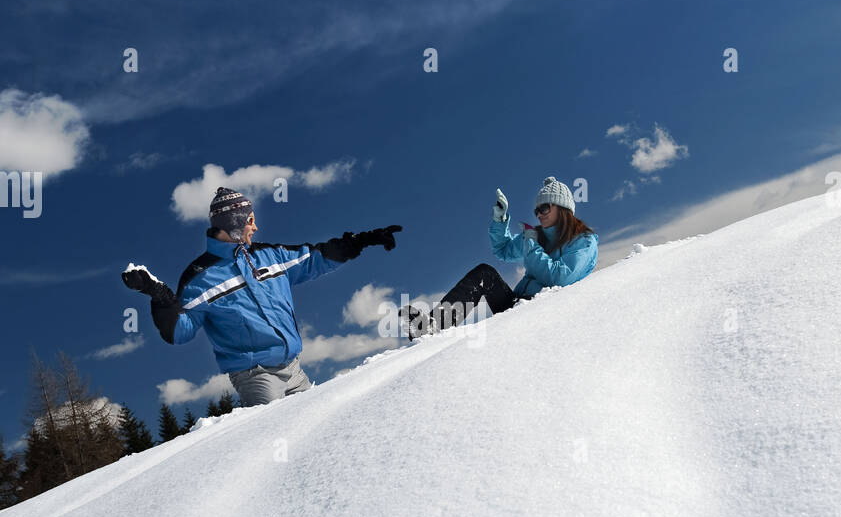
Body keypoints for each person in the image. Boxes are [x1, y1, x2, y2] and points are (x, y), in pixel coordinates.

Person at [122, 186, 401, 407]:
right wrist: (157, 294)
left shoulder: (269, 256)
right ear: (234, 222)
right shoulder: (200, 279)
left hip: (293, 368)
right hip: (257, 376)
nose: (255, 227)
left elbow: (315, 258)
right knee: (269, 443)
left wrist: (363, 240)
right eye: (250, 220)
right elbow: (178, 332)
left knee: (317, 433)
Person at [403, 176, 597, 338]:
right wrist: (500, 220)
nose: (538, 214)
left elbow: (560, 278)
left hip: (544, 314)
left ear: (562, 208)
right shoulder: (537, 236)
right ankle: (432, 326)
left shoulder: (583, 241)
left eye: (544, 208)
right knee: (485, 274)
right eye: (536, 210)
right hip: (517, 306)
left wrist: (531, 244)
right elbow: (503, 250)